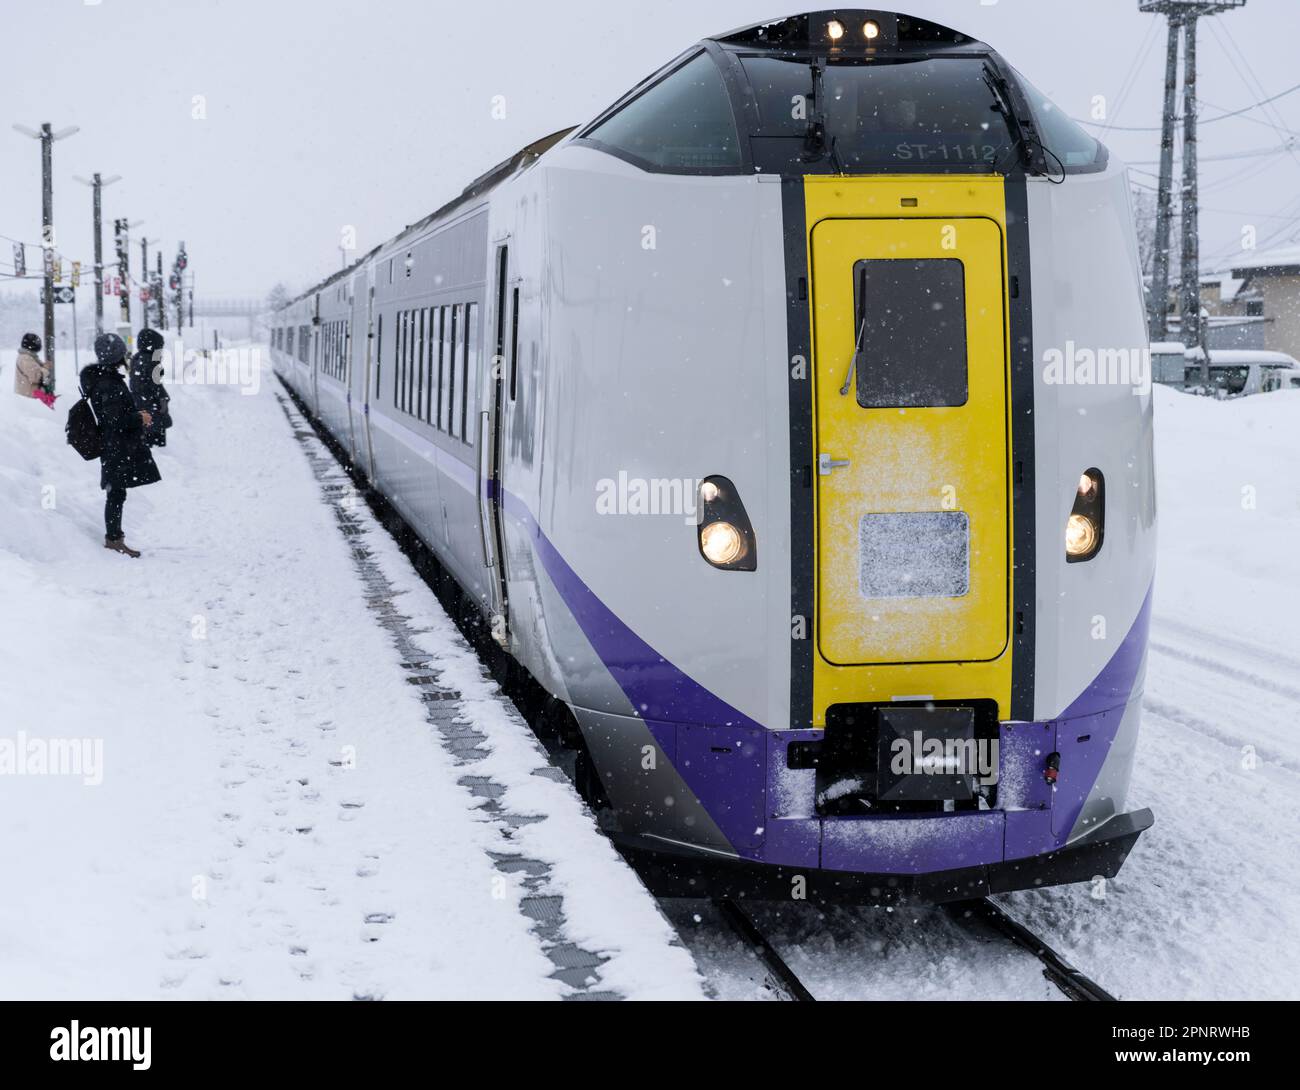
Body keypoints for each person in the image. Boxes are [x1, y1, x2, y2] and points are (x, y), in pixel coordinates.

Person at [80, 333, 161, 557]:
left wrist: (136, 415)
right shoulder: (108, 384)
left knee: (117, 491)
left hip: (115, 443)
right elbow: (113, 420)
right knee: (115, 493)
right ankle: (114, 539)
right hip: (115, 444)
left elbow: (112, 416)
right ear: (117, 355)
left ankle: (115, 538)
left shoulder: (105, 380)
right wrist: (139, 418)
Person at [129, 328, 171, 447]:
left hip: (140, 403)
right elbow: (155, 386)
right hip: (152, 405)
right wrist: (163, 401)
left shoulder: (136, 358)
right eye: (160, 347)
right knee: (154, 439)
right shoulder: (152, 361)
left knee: (145, 436)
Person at [13, 332, 52, 405]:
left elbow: (34, 370)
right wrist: (45, 369)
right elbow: (36, 377)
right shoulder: (26, 358)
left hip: (29, 396)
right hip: (29, 399)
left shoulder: (29, 356)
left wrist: (43, 366)